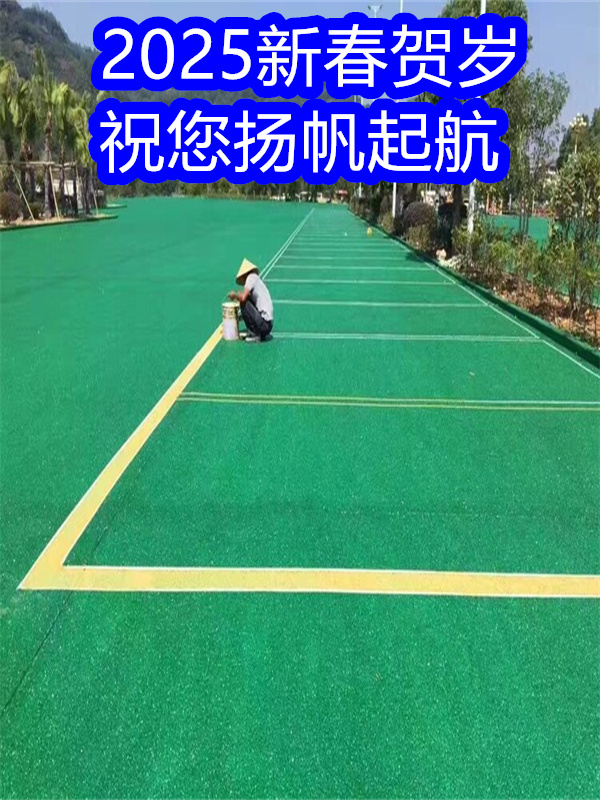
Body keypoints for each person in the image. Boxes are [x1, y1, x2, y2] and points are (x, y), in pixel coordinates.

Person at [228, 258, 274, 343]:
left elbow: (243, 298)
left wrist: (235, 295)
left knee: (243, 302)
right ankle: (258, 332)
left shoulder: (250, 278)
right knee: (247, 299)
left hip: (264, 325)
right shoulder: (256, 279)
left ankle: (255, 334)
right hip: (268, 325)